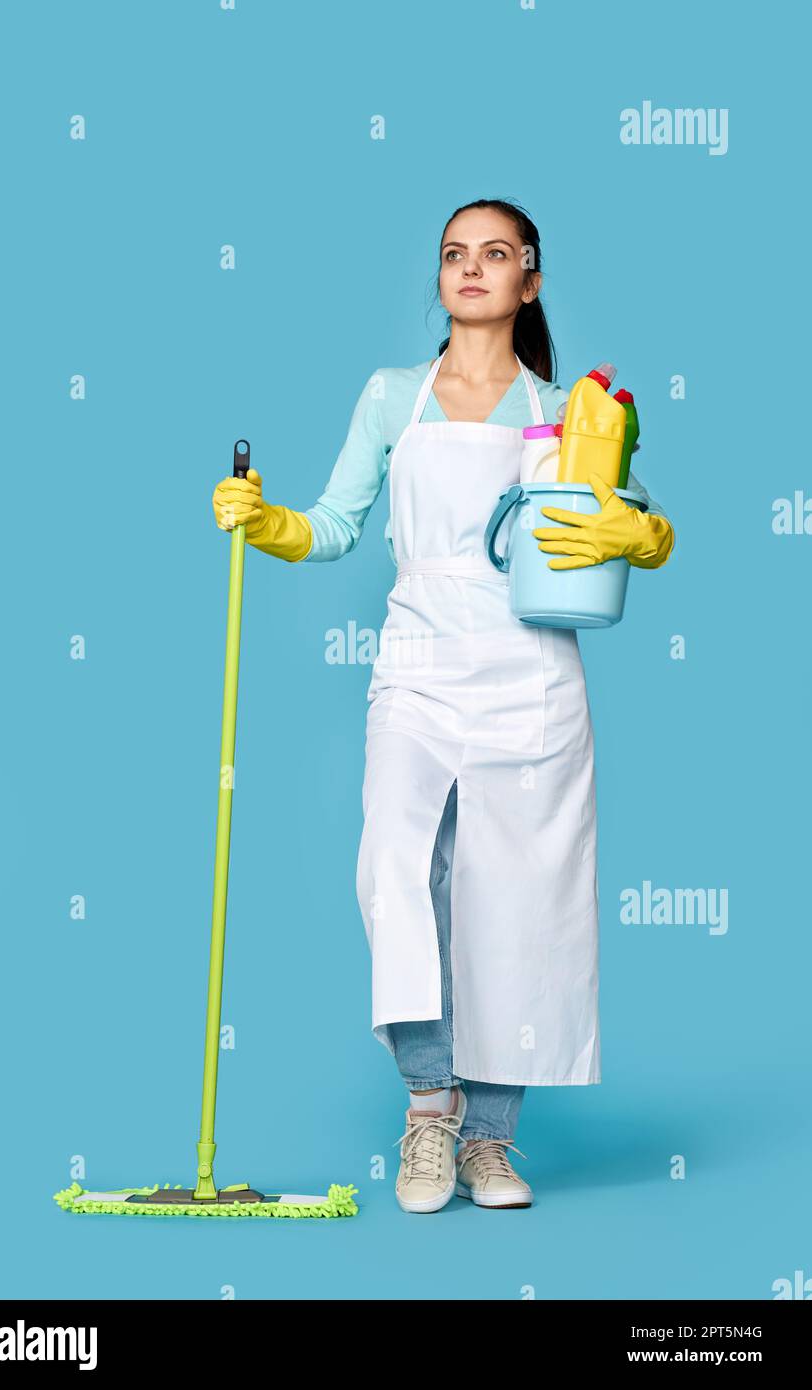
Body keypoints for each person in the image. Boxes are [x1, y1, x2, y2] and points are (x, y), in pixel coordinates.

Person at [212, 198, 675, 1215]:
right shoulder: (392, 397)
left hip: (533, 682)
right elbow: (334, 524)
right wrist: (268, 521)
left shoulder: (570, 411)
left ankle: (490, 1142)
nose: (470, 269)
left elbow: (634, 519)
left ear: (529, 280)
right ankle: (428, 1112)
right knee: (393, 867)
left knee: (516, 901)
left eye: (494, 254)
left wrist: (643, 540)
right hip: (417, 670)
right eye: (453, 255)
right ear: (439, 278)